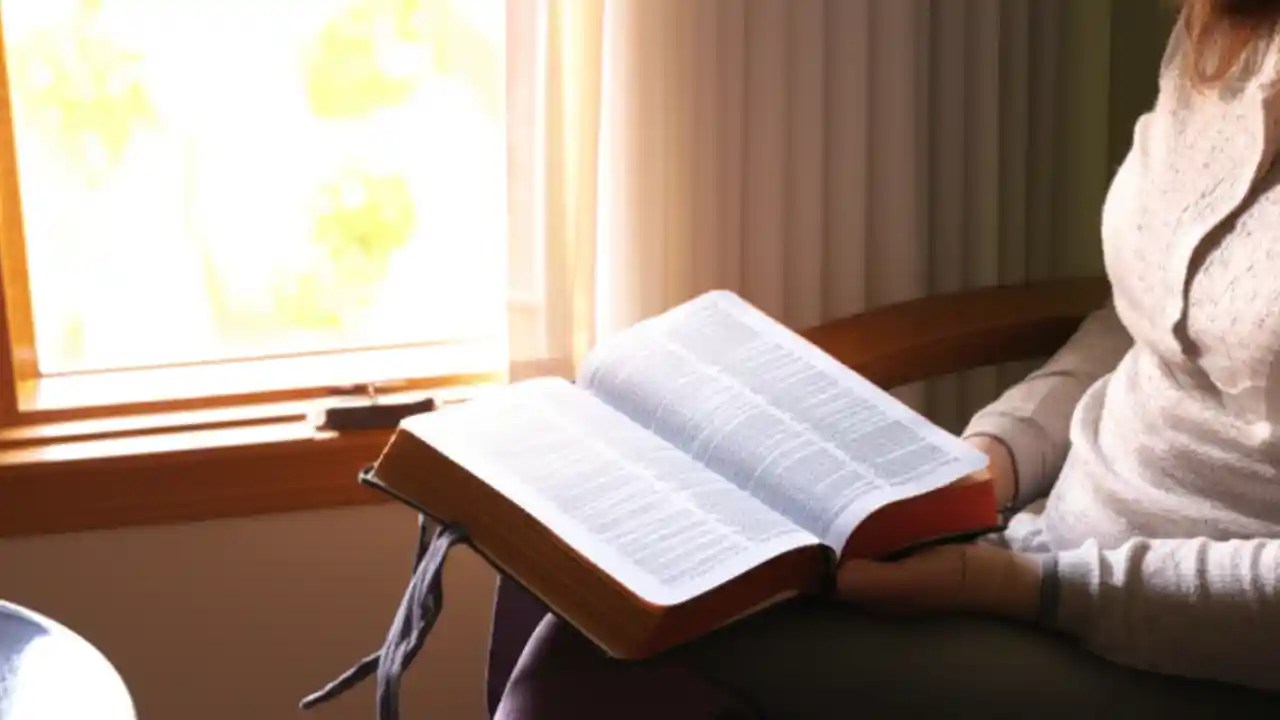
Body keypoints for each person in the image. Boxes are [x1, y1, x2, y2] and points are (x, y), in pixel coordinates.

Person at [496, 1, 1280, 716]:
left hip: (1183, 653)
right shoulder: (1230, 27)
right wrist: (984, 463)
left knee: (627, 632)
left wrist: (1017, 586)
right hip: (1040, 552)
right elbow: (1154, 323)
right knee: (572, 567)